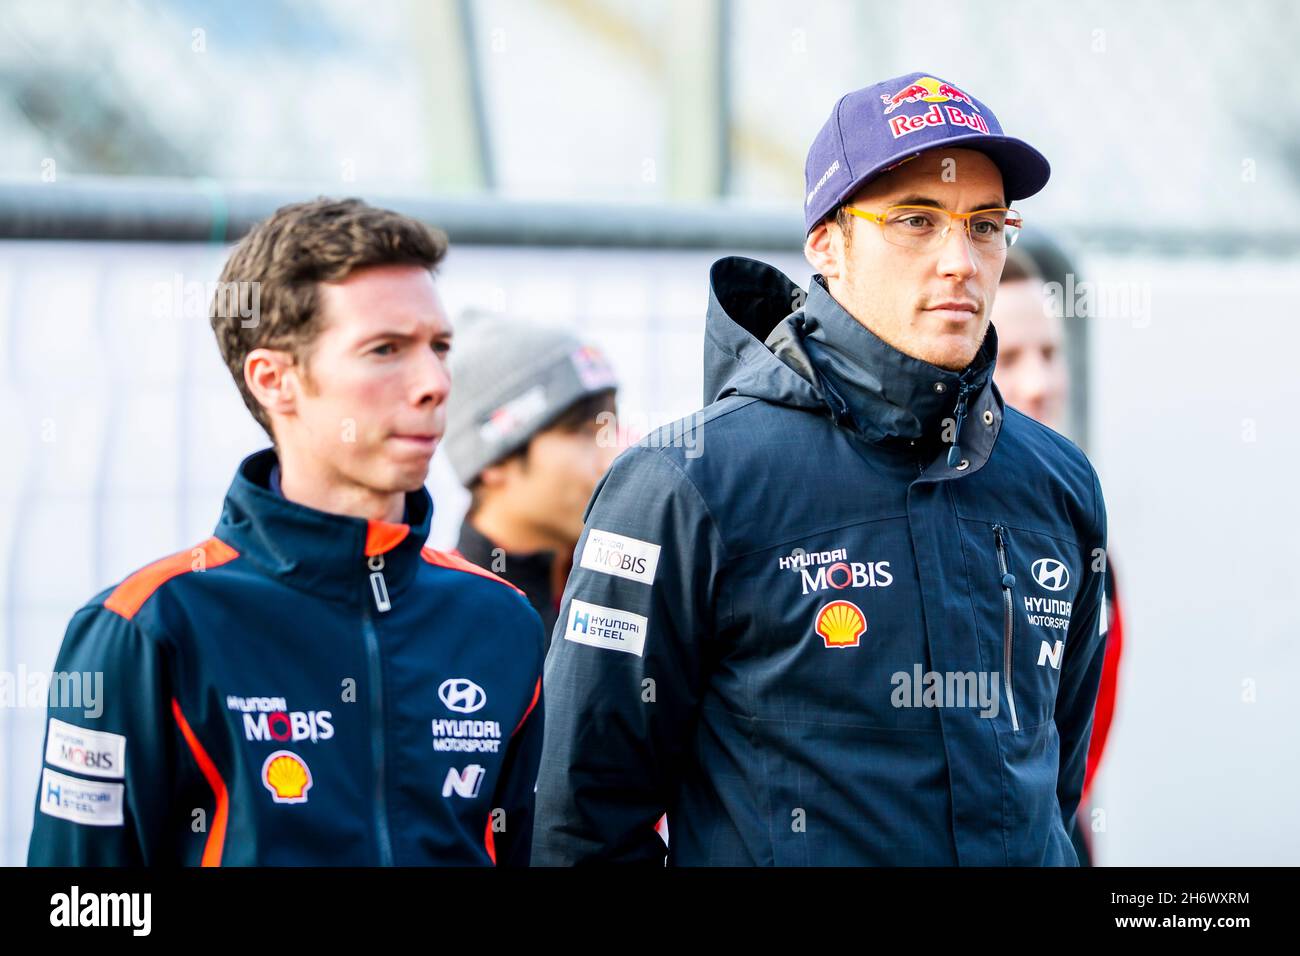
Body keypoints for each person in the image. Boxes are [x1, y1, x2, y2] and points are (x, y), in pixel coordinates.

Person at [533, 72, 1110, 865]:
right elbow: (583, 822)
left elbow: (1056, 789)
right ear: (826, 245)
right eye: (915, 221)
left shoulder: (1057, 482)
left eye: (985, 226)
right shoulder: (685, 483)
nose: (961, 262)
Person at [28, 198, 545, 866]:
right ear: (275, 380)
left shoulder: (499, 618)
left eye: (439, 348)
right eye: (386, 350)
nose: (435, 383)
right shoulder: (146, 628)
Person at [991, 246, 1125, 866]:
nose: (1041, 384)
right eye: (1009, 358)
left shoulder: (1080, 532)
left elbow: (1083, 742)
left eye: (1049, 354)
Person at [444, 316, 619, 640]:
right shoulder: (440, 624)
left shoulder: (628, 595)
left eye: (611, 428)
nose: (614, 458)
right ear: (497, 461)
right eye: (584, 433)